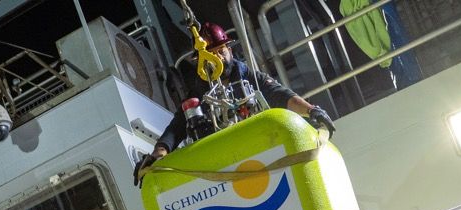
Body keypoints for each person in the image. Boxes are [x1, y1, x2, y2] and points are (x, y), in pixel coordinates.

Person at [135, 22, 334, 183]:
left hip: (265, 149)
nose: (218, 59)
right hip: (227, 163)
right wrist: (158, 154)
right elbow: (177, 127)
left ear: (229, 49)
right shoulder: (197, 94)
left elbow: (280, 94)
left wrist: (311, 110)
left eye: (221, 51)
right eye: (211, 55)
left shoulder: (249, 76)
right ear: (199, 61)